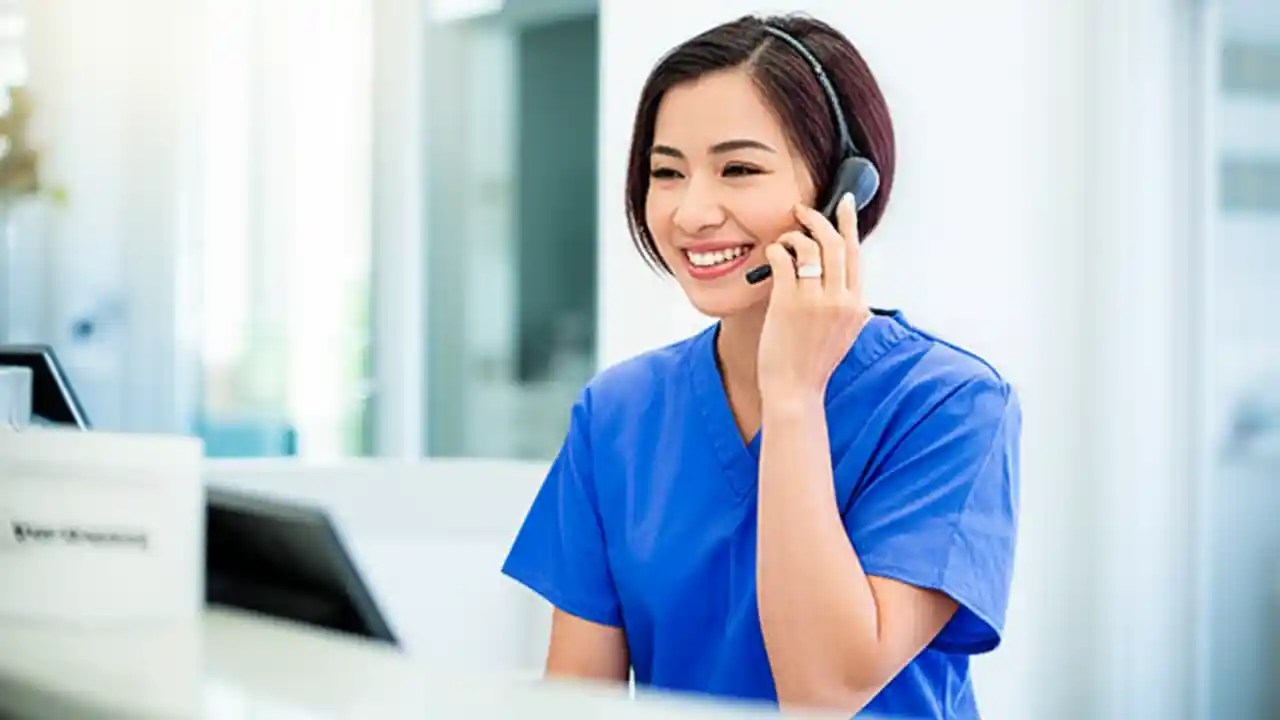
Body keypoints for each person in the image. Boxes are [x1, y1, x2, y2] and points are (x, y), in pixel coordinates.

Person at [501, 12, 1020, 719]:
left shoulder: (948, 406)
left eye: (738, 169)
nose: (691, 212)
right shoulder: (617, 413)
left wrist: (795, 395)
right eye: (666, 172)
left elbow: (824, 692)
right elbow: (576, 702)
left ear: (845, 187)